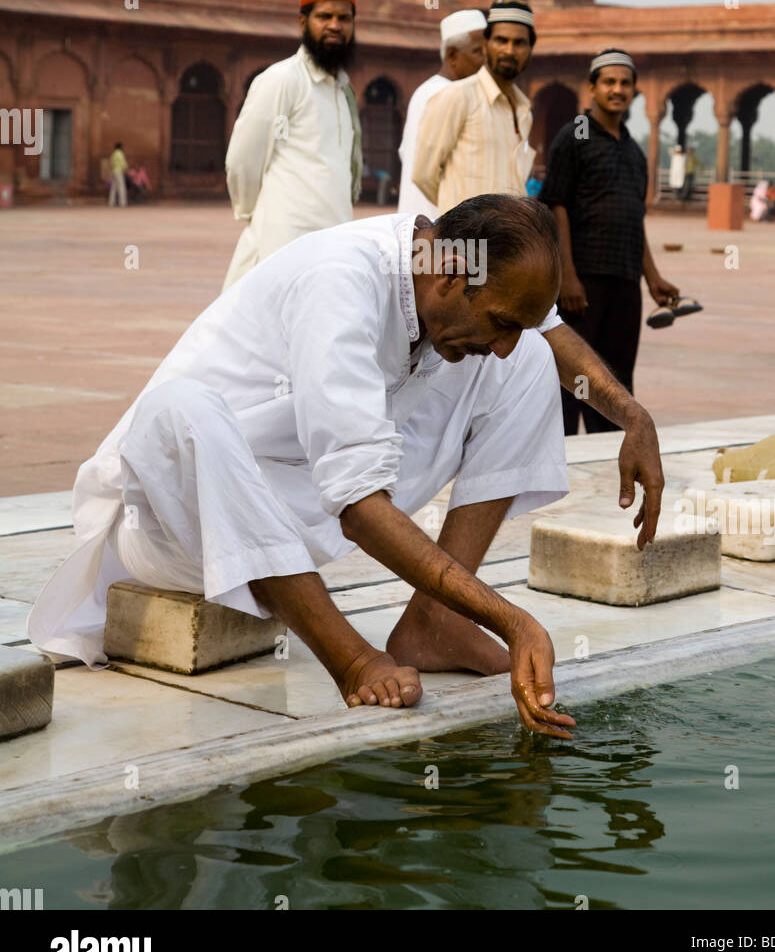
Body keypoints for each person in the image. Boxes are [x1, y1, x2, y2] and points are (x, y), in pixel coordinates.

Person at [28, 195, 665, 736]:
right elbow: (360, 512)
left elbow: (546, 335)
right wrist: (508, 617)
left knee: (530, 364)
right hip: (181, 525)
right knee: (182, 409)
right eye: (497, 323)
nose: (497, 346)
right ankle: (353, 660)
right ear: (446, 277)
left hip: (303, 499)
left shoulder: (455, 257)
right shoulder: (343, 282)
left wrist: (633, 417)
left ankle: (432, 620)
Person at [539, 48, 681, 435]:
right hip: (582, 279)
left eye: (625, 83)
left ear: (635, 91)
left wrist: (652, 278)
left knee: (616, 379)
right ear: (592, 87)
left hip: (624, 281)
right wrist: (566, 275)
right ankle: (562, 461)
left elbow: (636, 219)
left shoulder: (632, 150)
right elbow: (556, 205)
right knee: (572, 376)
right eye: (609, 82)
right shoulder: (575, 136)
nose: (617, 90)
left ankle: (608, 457)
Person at [222, 0, 363, 290]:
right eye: (324, 16)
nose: (335, 26)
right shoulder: (282, 79)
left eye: (344, 18)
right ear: (303, 22)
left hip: (335, 234)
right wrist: (253, 212)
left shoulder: (343, 90)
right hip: (285, 236)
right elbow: (243, 159)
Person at [412, 0, 537, 214]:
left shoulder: (524, 110)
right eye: (501, 40)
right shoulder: (457, 97)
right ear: (485, 44)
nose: (509, 50)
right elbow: (423, 175)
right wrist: (461, 217)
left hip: (506, 242)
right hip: (464, 241)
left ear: (530, 49)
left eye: (519, 43)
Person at [397, 9, 486, 218]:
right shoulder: (447, 94)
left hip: (420, 223)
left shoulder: (425, 91)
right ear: (453, 55)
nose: (485, 61)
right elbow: (424, 174)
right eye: (477, 52)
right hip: (439, 222)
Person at [108, 142, 128, 207]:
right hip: (119, 171)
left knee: (113, 188)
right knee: (121, 187)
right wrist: (125, 168)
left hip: (114, 171)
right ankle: (122, 203)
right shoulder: (120, 154)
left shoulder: (113, 154)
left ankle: (111, 203)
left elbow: (111, 163)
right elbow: (123, 163)